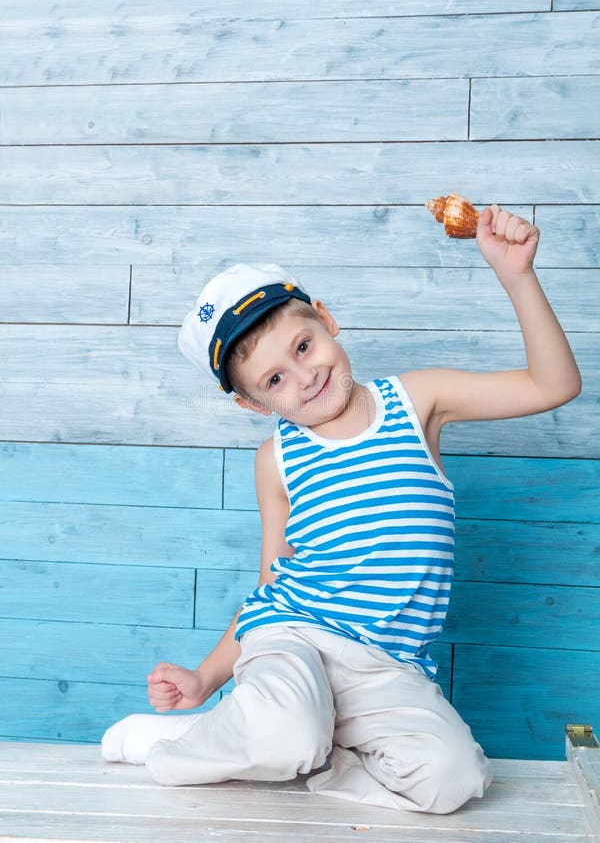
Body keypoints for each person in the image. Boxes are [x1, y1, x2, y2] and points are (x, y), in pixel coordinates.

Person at [101, 204, 581, 813]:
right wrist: (206, 678)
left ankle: (306, 752)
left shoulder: (417, 400)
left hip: (386, 668)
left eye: (303, 345)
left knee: (452, 779)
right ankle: (188, 741)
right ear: (253, 405)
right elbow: (271, 584)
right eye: (273, 381)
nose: (304, 376)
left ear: (325, 319)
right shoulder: (276, 458)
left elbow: (553, 385)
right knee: (285, 726)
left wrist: (518, 277)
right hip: (293, 640)